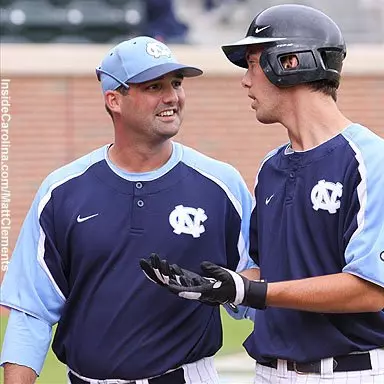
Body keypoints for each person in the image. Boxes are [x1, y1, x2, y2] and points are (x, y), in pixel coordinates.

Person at [140, 4, 384, 384]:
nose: (245, 80)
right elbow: (265, 272)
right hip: (269, 373)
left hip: (349, 372)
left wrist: (252, 291)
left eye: (252, 63)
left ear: (289, 62)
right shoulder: (271, 167)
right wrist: (217, 286)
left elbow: (370, 289)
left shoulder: (370, 160)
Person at [0, 36, 254, 384]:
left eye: (176, 83)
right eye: (154, 86)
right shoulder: (62, 191)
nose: (172, 97)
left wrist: (232, 291)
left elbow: (259, 287)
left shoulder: (221, 184)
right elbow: (32, 311)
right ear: (114, 100)